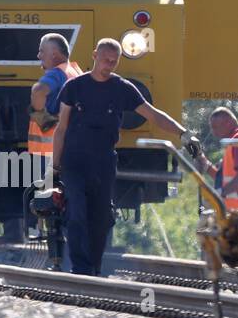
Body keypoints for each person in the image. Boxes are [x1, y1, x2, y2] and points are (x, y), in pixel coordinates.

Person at [50, 37, 193, 276]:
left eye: (114, 62)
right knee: (76, 211)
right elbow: (61, 128)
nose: (109, 65)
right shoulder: (74, 87)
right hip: (74, 161)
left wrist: (184, 133)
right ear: (95, 55)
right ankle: (80, 268)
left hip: (103, 161)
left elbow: (153, 115)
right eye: (106, 59)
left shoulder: (122, 88)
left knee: (102, 216)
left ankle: (93, 267)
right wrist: (55, 167)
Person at [26, 32, 83, 260]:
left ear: (55, 54)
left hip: (51, 150)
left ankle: (56, 255)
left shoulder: (56, 74)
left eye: (42, 51)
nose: (39, 55)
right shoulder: (75, 71)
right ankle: (70, 251)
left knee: (50, 202)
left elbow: (38, 91)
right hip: (72, 146)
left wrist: (40, 116)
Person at [194, 107, 238, 209]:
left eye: (215, 127)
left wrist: (220, 193)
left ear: (228, 122)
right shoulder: (236, 141)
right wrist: (205, 163)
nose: (213, 133)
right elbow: (225, 180)